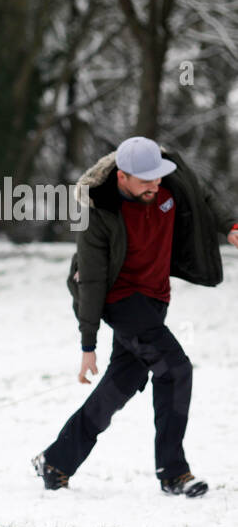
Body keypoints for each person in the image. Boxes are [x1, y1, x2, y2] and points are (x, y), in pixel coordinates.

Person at [34, 136, 238, 496]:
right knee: (175, 369)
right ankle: (173, 472)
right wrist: (88, 343)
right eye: (146, 181)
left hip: (155, 299)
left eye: (158, 178)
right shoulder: (98, 211)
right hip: (120, 300)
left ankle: (56, 460)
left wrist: (230, 226)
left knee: (121, 384)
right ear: (122, 177)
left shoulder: (168, 186)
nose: (154, 186)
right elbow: (92, 280)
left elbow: (203, 198)